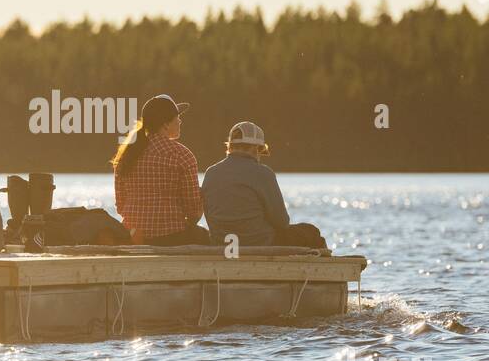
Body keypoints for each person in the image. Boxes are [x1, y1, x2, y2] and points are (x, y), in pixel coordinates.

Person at [201, 121, 327, 249]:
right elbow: (282, 222)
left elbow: (209, 215)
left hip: (223, 243)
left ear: (230, 146)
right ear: (255, 148)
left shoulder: (211, 172)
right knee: (311, 232)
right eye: (261, 150)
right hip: (260, 243)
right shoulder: (263, 173)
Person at [111, 93, 209, 246]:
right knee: (207, 237)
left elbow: (121, 206)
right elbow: (193, 213)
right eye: (177, 117)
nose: (180, 121)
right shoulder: (182, 155)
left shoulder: (126, 154)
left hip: (133, 236)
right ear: (165, 124)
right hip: (172, 237)